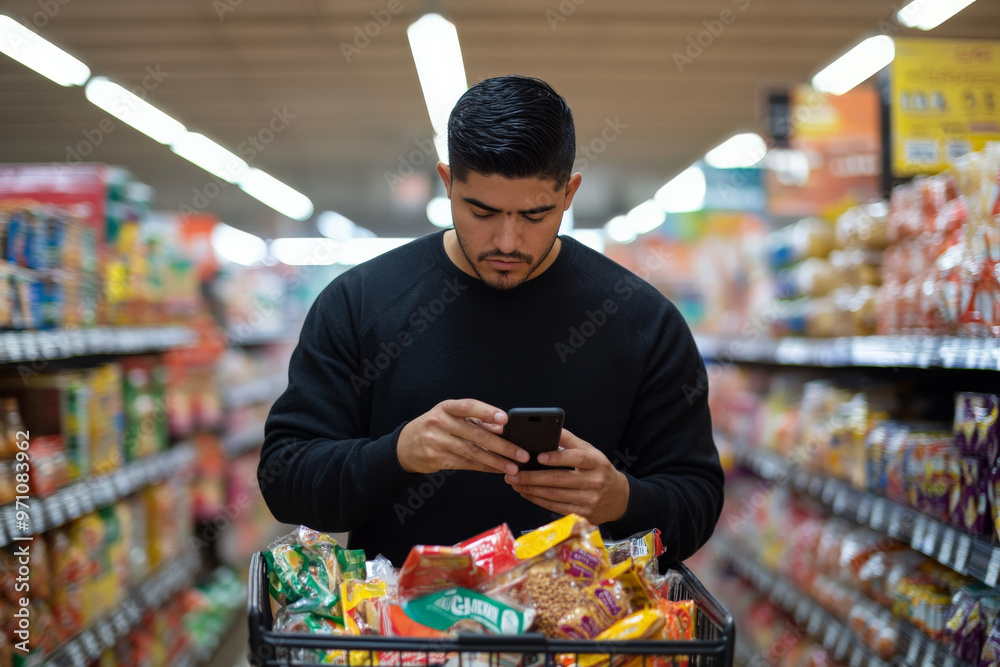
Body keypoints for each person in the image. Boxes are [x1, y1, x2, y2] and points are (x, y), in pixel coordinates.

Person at [259, 75, 723, 567]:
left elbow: (697, 499)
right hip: (404, 635)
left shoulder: (645, 323)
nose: (507, 241)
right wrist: (397, 453)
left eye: (534, 214)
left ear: (569, 193)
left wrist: (622, 500)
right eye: (481, 211)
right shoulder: (359, 305)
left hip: (581, 635)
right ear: (447, 183)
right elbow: (285, 480)